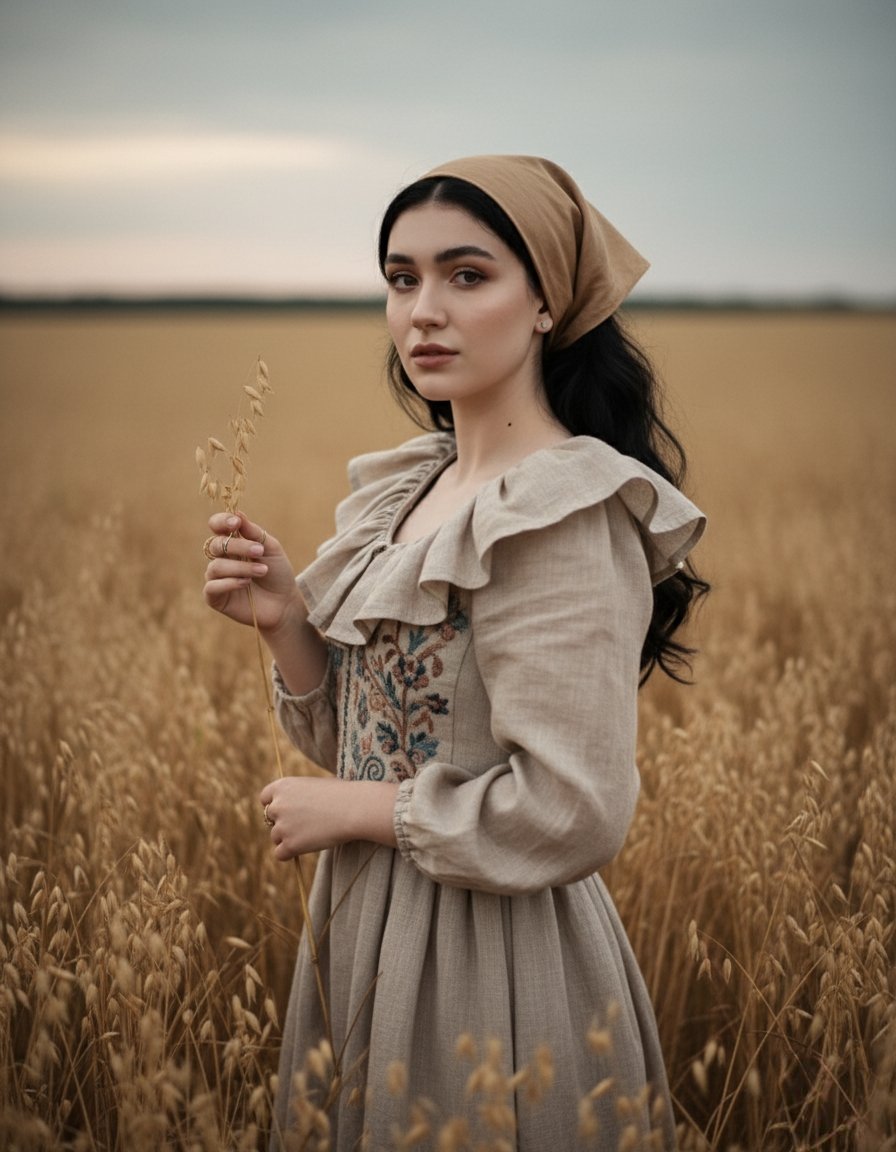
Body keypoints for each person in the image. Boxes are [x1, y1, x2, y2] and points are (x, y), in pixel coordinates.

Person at [203, 155, 707, 1151]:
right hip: (365, 937)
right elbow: (370, 742)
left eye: (466, 276)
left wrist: (358, 811)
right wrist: (286, 624)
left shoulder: (558, 513)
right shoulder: (416, 488)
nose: (422, 310)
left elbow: (573, 811)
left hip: (497, 968)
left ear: (544, 304)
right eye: (402, 279)